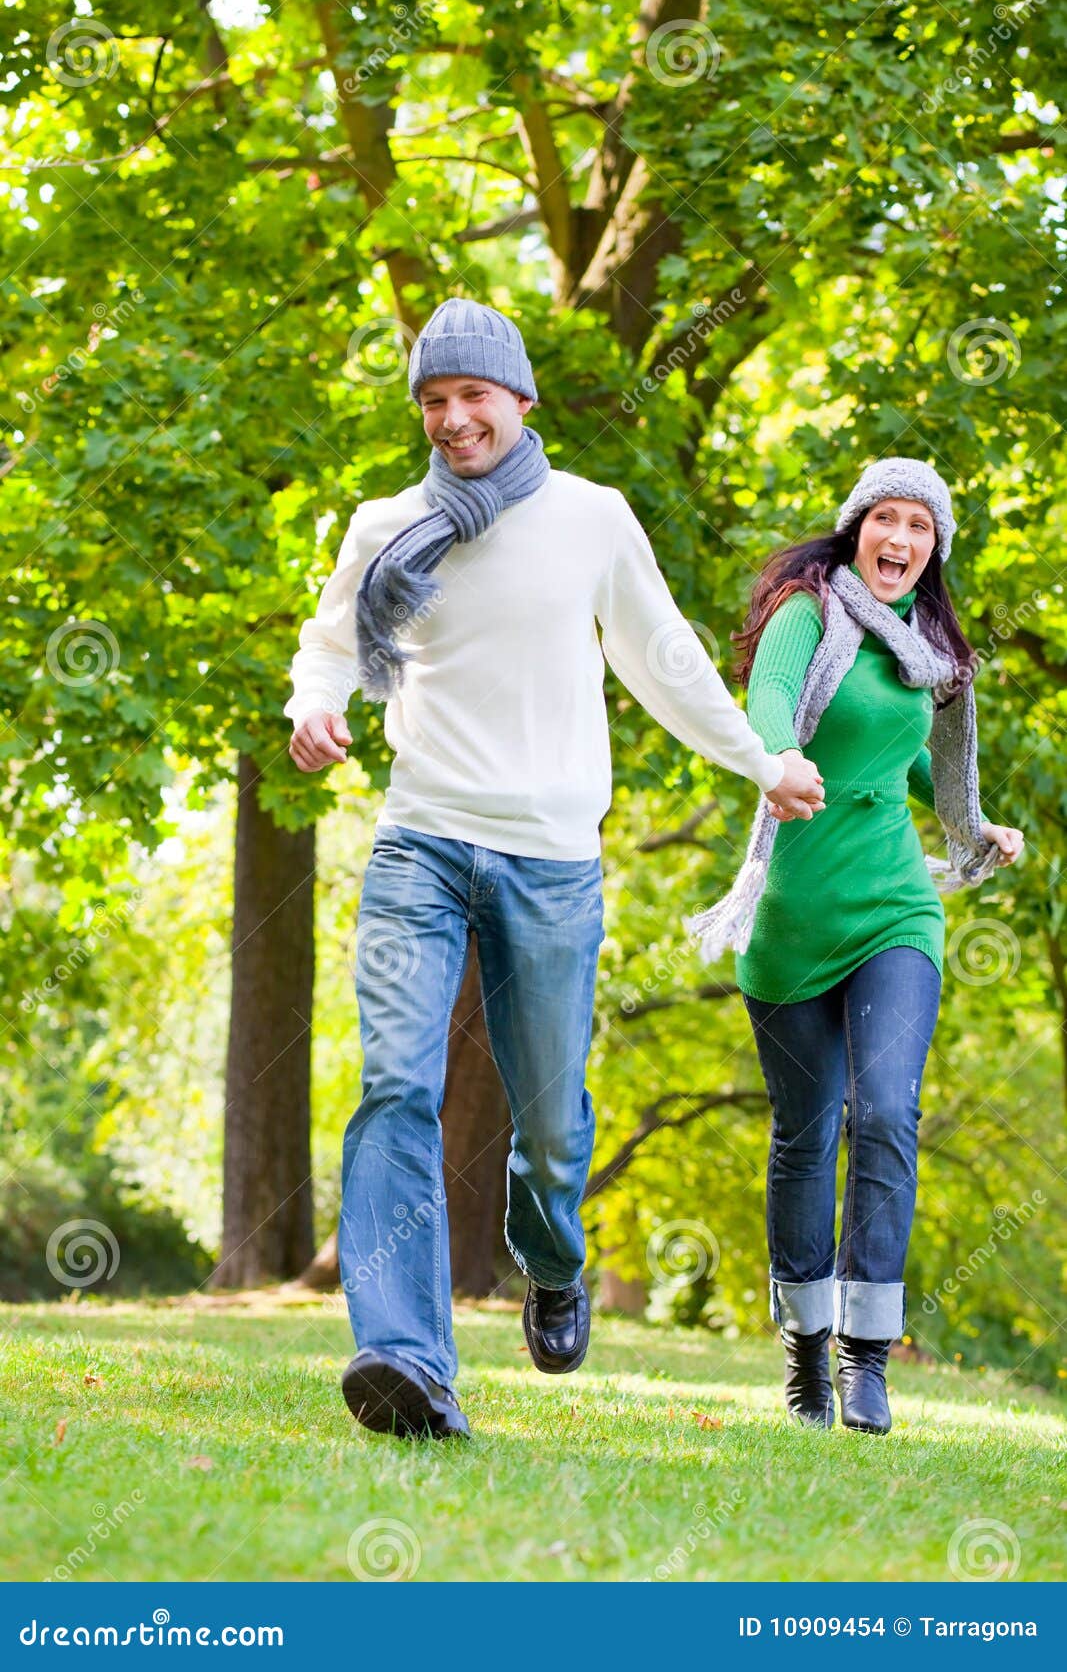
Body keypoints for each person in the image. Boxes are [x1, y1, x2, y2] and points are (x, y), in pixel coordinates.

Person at [286, 295, 825, 1441]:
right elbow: (332, 639)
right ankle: (403, 1356)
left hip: (550, 861)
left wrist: (756, 758)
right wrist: (316, 704)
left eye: (470, 395)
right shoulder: (384, 524)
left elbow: (664, 659)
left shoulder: (589, 518)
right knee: (394, 1085)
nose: (450, 419)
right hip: (419, 838)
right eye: (432, 400)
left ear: (519, 401)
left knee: (548, 1125)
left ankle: (551, 1258)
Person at [687, 457, 1024, 1434]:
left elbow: (907, 754)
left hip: (894, 907)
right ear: (855, 528)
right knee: (808, 1133)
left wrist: (969, 826)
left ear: (933, 547)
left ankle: (867, 1356)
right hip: (793, 917)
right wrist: (777, 755)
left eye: (920, 526)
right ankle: (803, 1351)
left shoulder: (927, 646)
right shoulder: (808, 612)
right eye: (885, 518)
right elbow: (764, 697)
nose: (901, 538)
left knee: (884, 1111)